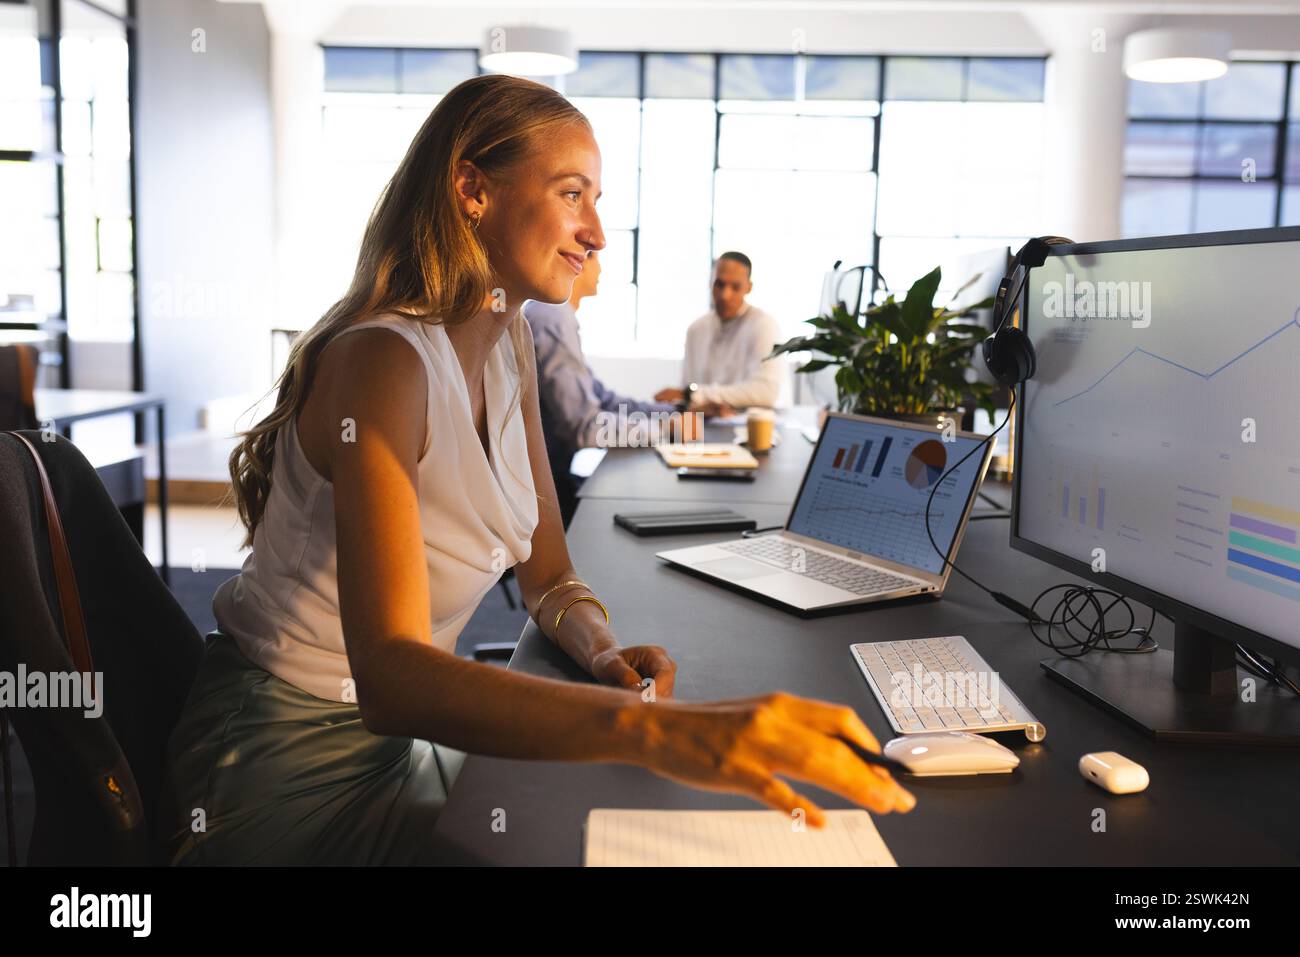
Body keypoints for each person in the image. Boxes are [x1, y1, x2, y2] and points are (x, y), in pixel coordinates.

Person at [162, 75, 913, 865]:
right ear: (471, 189)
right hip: (280, 772)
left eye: (598, 200)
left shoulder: (507, 343)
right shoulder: (383, 361)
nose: (595, 233)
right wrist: (658, 730)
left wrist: (599, 652)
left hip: (393, 746)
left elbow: (547, 576)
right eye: (571, 194)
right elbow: (388, 676)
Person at [525, 251, 682, 528]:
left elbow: (602, 398)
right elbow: (587, 427)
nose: (601, 268)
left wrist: (677, 412)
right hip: (541, 490)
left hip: (547, 479)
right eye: (596, 258)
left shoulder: (555, 315)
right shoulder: (552, 316)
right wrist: (665, 430)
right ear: (580, 262)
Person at [655, 252, 784, 414]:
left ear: (748, 287)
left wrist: (695, 394)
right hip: (705, 424)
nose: (725, 295)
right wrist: (693, 400)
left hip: (752, 429)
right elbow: (687, 390)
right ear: (710, 283)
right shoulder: (696, 329)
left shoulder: (764, 325)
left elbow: (766, 392)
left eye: (735, 287)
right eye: (719, 284)